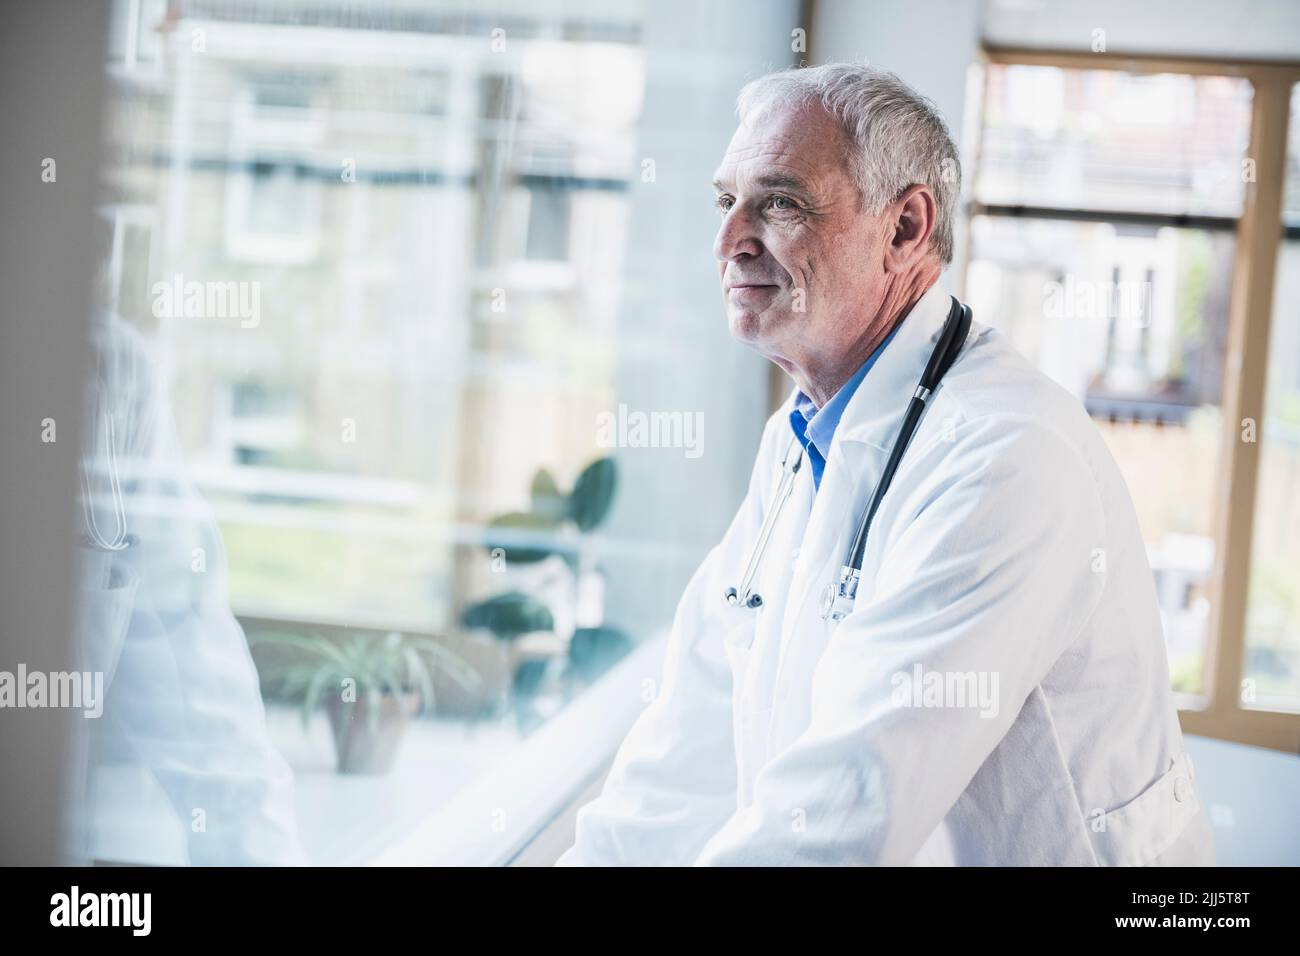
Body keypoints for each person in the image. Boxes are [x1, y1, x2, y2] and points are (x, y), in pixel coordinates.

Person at [557, 64, 1215, 866]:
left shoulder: (1008, 455)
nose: (729, 240)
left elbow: (844, 810)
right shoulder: (798, 441)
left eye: (780, 201)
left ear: (904, 228)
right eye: (725, 201)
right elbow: (686, 747)